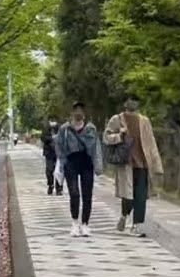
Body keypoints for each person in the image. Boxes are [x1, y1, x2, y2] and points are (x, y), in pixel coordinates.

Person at [104, 94, 163, 237]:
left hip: (142, 163)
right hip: (126, 163)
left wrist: (157, 164)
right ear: (125, 102)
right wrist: (120, 135)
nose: (132, 103)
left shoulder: (144, 121)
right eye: (130, 99)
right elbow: (106, 137)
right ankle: (124, 216)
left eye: (135, 100)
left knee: (141, 196)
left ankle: (137, 225)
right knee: (128, 195)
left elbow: (151, 142)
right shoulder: (117, 119)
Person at [55, 102, 100, 237]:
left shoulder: (91, 129)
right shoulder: (65, 129)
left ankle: (85, 223)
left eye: (81, 110)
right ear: (72, 113)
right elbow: (59, 146)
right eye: (76, 110)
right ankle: (75, 222)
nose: (78, 113)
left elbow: (96, 148)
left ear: (84, 114)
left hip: (86, 163)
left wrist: (98, 165)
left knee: (87, 195)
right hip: (71, 163)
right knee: (74, 193)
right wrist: (62, 163)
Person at [41, 119, 62, 195]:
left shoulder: (60, 128)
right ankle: (50, 185)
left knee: (59, 171)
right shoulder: (46, 128)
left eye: (54, 120)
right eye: (51, 121)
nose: (52, 123)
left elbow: (63, 137)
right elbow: (43, 138)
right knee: (49, 170)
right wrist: (52, 138)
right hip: (49, 152)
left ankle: (59, 188)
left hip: (59, 152)